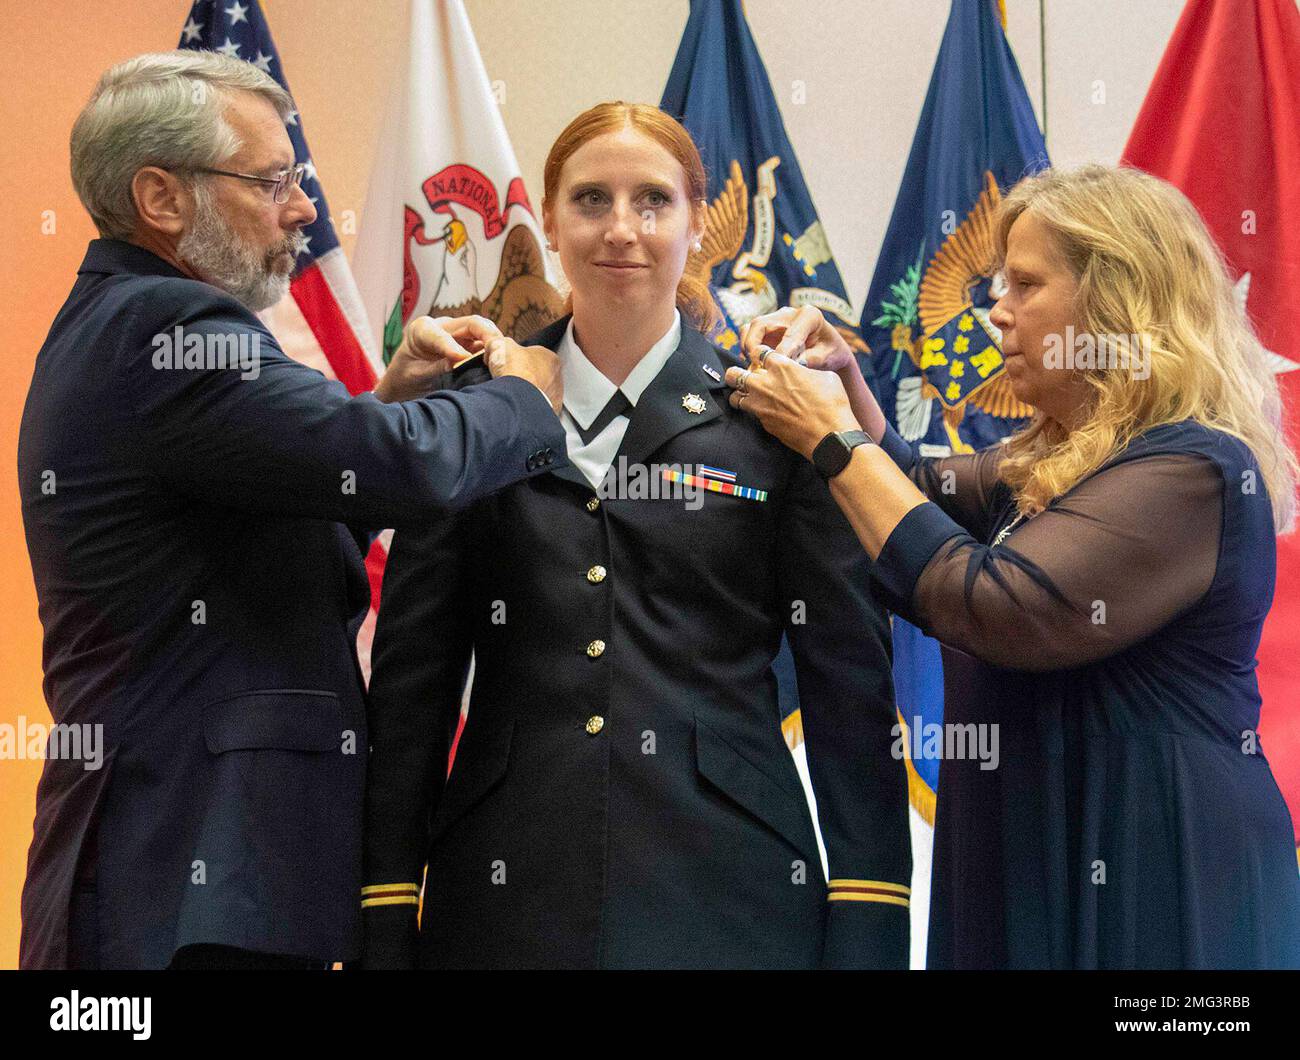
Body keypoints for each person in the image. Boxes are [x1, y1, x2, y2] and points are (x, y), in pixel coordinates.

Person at [18, 50, 567, 970]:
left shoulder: (114, 323)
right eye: (273, 180)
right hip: (193, 889)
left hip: (171, 879)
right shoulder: (169, 332)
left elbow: (265, 537)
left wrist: (388, 402)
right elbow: (411, 468)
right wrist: (526, 396)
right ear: (161, 197)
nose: (306, 208)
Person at [359, 102, 910, 970]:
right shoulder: (472, 411)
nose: (622, 229)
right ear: (546, 219)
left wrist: (871, 921)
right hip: (504, 898)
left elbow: (850, 691)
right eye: (590, 200)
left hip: (732, 894)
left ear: (698, 223)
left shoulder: (775, 413)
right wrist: (386, 904)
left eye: (653, 201)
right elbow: (414, 682)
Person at [727, 164, 1300, 969]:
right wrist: (844, 383)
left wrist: (829, 439)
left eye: (1025, 284)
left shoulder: (1193, 470)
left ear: (1117, 304)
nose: (995, 308)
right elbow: (908, 485)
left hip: (1159, 866)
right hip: (1034, 844)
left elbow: (997, 607)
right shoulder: (1054, 461)